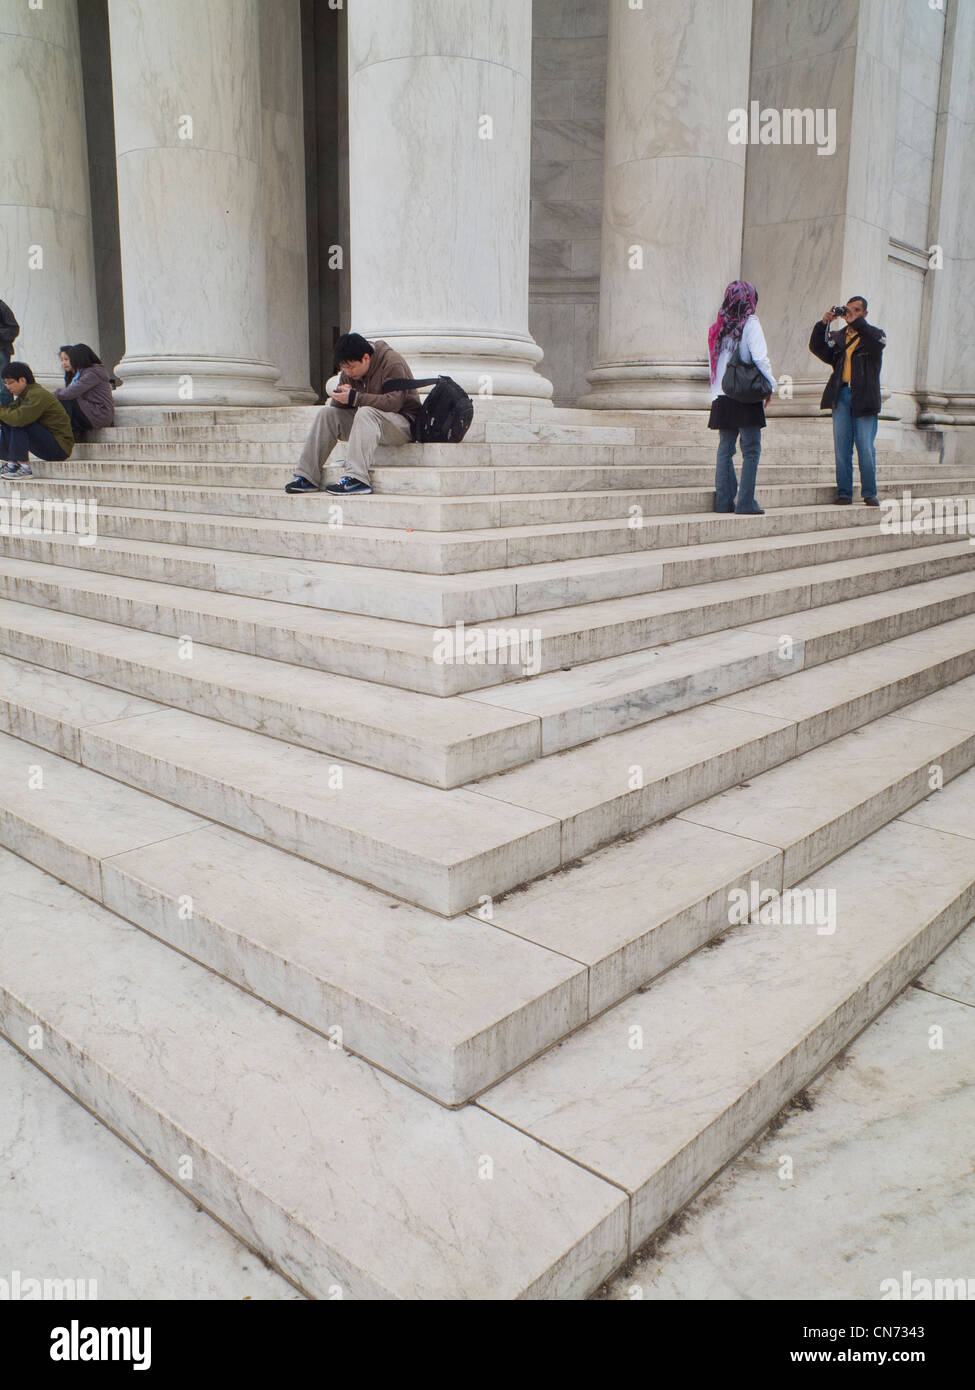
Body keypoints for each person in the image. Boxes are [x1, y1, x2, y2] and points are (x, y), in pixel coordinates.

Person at [285, 333, 420, 495]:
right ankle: (306, 476)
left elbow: (394, 403)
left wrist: (355, 397)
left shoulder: (391, 362)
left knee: (366, 412)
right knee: (327, 413)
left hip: (403, 425)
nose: (348, 372)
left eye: (351, 367)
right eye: (344, 368)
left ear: (366, 358)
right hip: (370, 425)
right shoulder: (349, 372)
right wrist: (341, 397)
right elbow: (343, 406)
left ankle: (357, 478)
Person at [809, 296, 885, 506]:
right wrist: (824, 324)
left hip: (865, 397)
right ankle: (844, 493)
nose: (851, 313)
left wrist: (855, 320)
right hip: (841, 395)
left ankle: (869, 493)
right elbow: (818, 348)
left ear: (865, 314)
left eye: (857, 310)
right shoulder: (839, 337)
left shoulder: (874, 336)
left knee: (865, 447)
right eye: (848, 310)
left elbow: (878, 343)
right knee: (842, 447)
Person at [707, 281, 776, 515]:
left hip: (722, 394)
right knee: (751, 451)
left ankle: (723, 501)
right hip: (745, 394)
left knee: (725, 448)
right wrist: (771, 386)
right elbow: (760, 358)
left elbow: (713, 364)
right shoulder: (751, 324)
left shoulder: (717, 326)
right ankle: (746, 502)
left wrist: (715, 392)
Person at [0, 362, 74, 478]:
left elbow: (19, 419)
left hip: (59, 448)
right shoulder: (25, 395)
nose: (8, 387)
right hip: (48, 445)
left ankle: (24, 467)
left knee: (20, 421)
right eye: (6, 384)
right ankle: (12, 463)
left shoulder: (37, 394)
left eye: (10, 383)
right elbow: (9, 415)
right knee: (8, 420)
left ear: (22, 380)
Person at [54, 343, 115, 439]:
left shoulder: (93, 373)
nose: (67, 362)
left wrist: (50, 395)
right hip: (93, 411)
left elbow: (71, 392)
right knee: (64, 399)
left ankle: (68, 435)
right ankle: (73, 432)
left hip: (100, 414)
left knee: (66, 399)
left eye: (69, 359)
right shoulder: (84, 372)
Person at [0, 298, 20, 406]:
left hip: (1, 351)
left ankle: (7, 418)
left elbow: (14, 329)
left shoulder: (1, 306)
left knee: (5, 385)